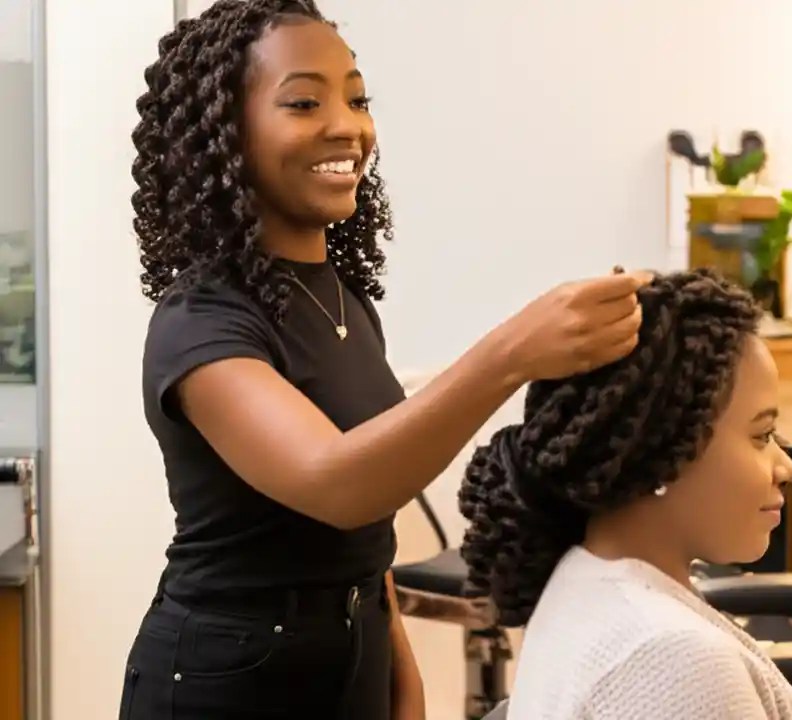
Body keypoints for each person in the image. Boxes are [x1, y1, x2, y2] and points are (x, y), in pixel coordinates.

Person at [119, 1, 650, 718]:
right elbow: (337, 484)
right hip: (230, 681)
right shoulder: (200, 324)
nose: (347, 125)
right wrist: (513, 352)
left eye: (357, 99)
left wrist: (395, 656)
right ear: (223, 136)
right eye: (304, 101)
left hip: (354, 656)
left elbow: (365, 526)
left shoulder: (342, 302)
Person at [459, 270, 792, 719]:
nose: (787, 468)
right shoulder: (671, 659)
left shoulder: (589, 575)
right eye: (761, 435)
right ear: (666, 448)